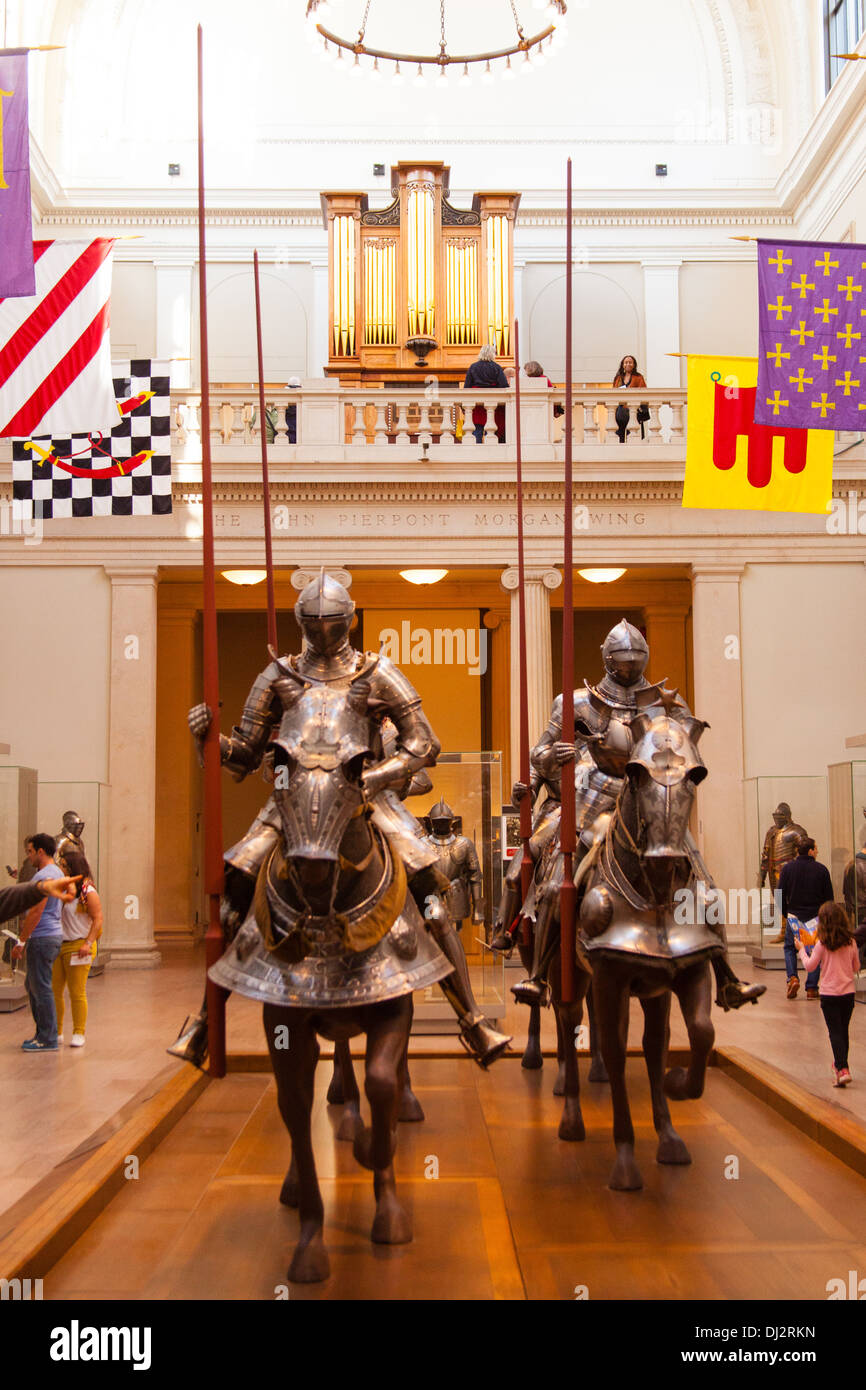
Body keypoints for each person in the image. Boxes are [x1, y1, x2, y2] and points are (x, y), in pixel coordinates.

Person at [796, 901, 860, 1087]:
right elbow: (856, 967)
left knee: (834, 1032)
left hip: (829, 995)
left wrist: (801, 950)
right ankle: (840, 1066)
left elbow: (810, 966)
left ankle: (842, 1068)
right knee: (843, 1031)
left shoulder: (822, 944)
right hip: (847, 994)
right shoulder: (851, 942)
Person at [11, 833, 65, 1051]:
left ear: (41, 851)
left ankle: (47, 1037)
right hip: (47, 935)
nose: (29, 856)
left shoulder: (46, 875)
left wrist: (22, 940)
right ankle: (43, 1033)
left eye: (30, 852)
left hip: (42, 936)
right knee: (33, 986)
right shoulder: (55, 872)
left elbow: (36, 910)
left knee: (40, 987)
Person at [53, 850, 103, 1048]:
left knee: (76, 991)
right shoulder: (63, 890)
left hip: (79, 944)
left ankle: (79, 1032)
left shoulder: (88, 892)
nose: (61, 869)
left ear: (74, 868)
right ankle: (56, 1031)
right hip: (60, 944)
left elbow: (98, 919)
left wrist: (88, 943)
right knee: (55, 990)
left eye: (64, 866)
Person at [778, 837, 832, 1000]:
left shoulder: (787, 869)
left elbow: (779, 894)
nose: (817, 851)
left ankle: (792, 978)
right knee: (814, 949)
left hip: (794, 915)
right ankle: (811, 988)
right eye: (816, 849)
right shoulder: (821, 869)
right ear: (810, 851)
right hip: (815, 917)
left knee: (789, 948)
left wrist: (786, 912)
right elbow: (828, 897)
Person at [463, 344, 509, 443]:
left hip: (477, 404)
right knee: (491, 428)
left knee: (477, 430)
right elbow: (504, 386)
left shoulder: (473, 367)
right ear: (492, 354)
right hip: (493, 402)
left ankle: (475, 452)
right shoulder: (496, 367)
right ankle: (491, 451)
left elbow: (466, 387)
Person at [612, 355, 649, 443]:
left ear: (634, 364)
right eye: (626, 362)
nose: (628, 364)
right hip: (620, 411)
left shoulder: (638, 377)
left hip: (632, 410)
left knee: (631, 435)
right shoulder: (618, 378)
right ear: (622, 365)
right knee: (619, 435)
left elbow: (643, 392)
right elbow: (613, 393)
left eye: (630, 362)